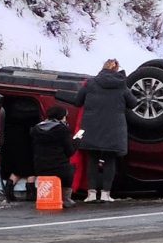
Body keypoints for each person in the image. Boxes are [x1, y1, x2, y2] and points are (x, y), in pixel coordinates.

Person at [75, 58, 136, 202]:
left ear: (102, 68)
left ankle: (90, 194)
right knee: (110, 160)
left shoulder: (91, 83)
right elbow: (133, 103)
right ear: (117, 69)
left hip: (92, 127)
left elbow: (78, 101)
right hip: (114, 128)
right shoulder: (122, 86)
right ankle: (105, 194)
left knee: (92, 159)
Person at [30, 106, 76, 208]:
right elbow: (70, 152)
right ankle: (66, 199)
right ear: (62, 117)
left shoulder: (36, 129)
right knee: (70, 169)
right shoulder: (62, 130)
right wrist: (76, 142)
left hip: (40, 167)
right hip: (59, 168)